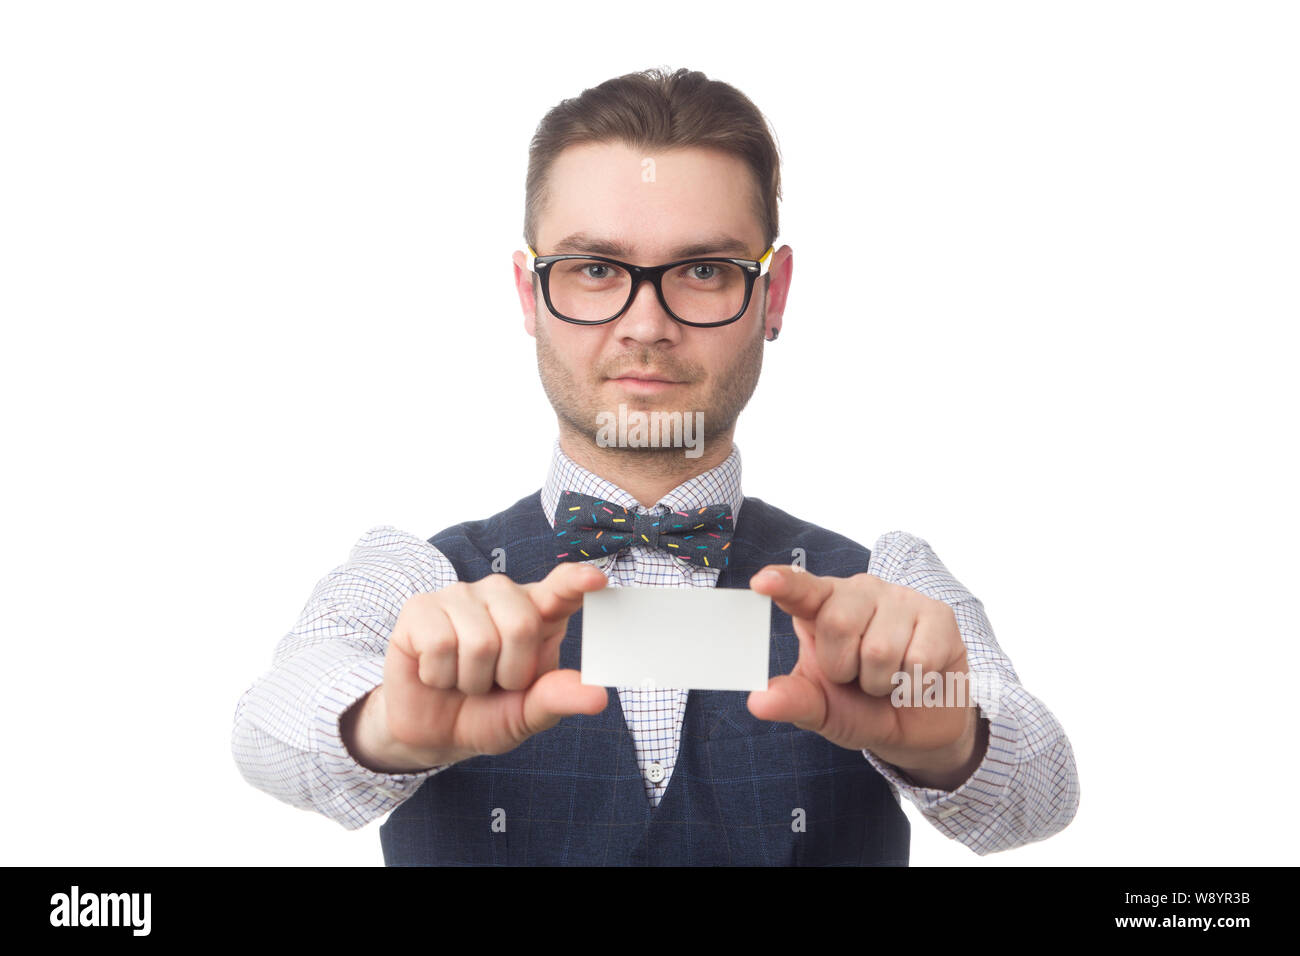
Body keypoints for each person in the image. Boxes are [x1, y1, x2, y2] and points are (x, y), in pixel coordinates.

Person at [231, 67, 1079, 865]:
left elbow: (1046, 785)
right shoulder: (415, 577)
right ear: (530, 295)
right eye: (596, 269)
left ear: (773, 295)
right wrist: (381, 725)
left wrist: (950, 736)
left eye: (704, 270)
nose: (646, 325)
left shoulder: (889, 584)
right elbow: (267, 723)